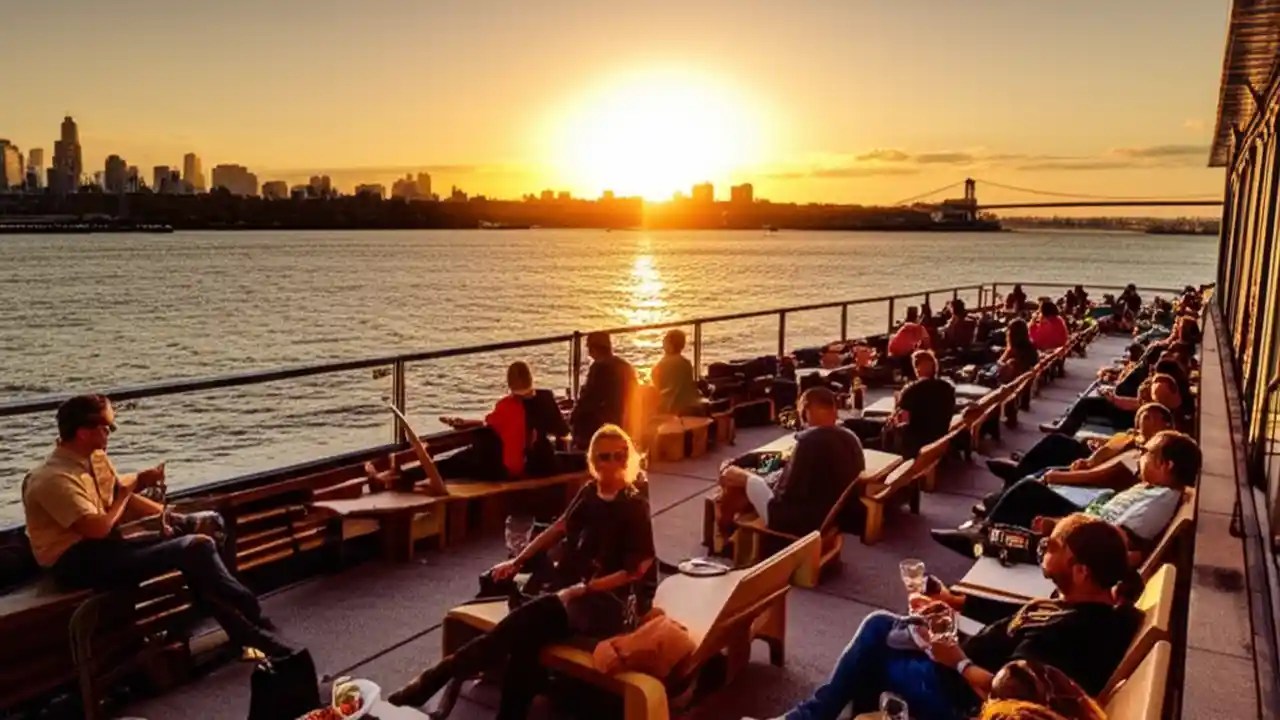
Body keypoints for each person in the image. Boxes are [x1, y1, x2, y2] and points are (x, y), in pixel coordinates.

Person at [387, 425, 656, 720]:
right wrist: (517, 561)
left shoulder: (634, 506)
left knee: (527, 622)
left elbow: (635, 571)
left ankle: (436, 677)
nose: (614, 463)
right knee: (526, 639)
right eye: (605, 457)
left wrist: (585, 589)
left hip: (607, 603)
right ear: (594, 461)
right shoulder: (589, 492)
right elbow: (559, 528)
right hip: (568, 593)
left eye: (621, 455)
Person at [776, 514, 1142, 720]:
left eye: (1054, 547)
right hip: (959, 667)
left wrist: (958, 660)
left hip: (959, 700)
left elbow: (1006, 693)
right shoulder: (1087, 604)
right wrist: (953, 602)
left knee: (876, 634)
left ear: (1081, 571)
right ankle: (851, 708)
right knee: (894, 630)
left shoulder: (1071, 632)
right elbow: (1021, 614)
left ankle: (810, 717)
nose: (1043, 549)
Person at [22, 395, 294, 658]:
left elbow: (123, 499)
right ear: (83, 432)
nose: (111, 432)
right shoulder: (52, 479)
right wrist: (127, 492)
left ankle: (240, 627)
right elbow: (98, 527)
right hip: (76, 561)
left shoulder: (95, 459)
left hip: (107, 546)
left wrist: (171, 516)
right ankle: (250, 615)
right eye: (107, 427)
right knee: (196, 548)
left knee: (209, 524)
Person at [935, 430, 1199, 560]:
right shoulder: (1156, 489)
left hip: (1084, 537)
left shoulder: (1159, 500)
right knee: (1028, 489)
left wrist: (1059, 526)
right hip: (1086, 518)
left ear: (1167, 465)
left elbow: (1116, 538)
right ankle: (989, 527)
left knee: (1028, 492)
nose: (1142, 456)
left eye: (1148, 453)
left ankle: (983, 537)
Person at [717, 387, 864, 537]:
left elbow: (783, 497)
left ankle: (724, 540)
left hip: (793, 521)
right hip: (831, 515)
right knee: (748, 478)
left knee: (735, 479)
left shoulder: (809, 442)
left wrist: (750, 478)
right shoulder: (850, 438)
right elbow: (785, 462)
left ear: (806, 411)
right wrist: (746, 462)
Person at [433, 361, 571, 480]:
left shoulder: (507, 405)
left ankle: (426, 477)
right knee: (577, 460)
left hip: (519, 469)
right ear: (531, 378)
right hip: (545, 464)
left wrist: (465, 423)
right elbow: (563, 431)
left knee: (455, 463)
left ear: (509, 383)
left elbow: (490, 425)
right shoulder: (546, 396)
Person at [984, 403, 1174, 486]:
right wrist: (1098, 444)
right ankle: (1021, 472)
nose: (1142, 419)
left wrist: (1089, 463)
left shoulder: (1147, 448)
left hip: (1092, 464)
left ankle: (1019, 475)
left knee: (1057, 446)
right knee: (1057, 443)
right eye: (1142, 416)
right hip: (1092, 455)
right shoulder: (1136, 435)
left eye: (1148, 417)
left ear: (1165, 424)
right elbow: (1113, 445)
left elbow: (1115, 467)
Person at [570, 332, 637, 450]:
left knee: (579, 416)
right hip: (628, 416)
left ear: (593, 348)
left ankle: (580, 448)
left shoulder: (599, 367)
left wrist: (574, 414)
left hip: (608, 418)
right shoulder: (625, 365)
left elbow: (590, 398)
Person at [650, 329, 704, 416]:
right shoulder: (686, 363)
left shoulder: (659, 367)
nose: (663, 342)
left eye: (665, 340)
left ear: (670, 344)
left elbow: (657, 389)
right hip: (688, 406)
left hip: (669, 409)